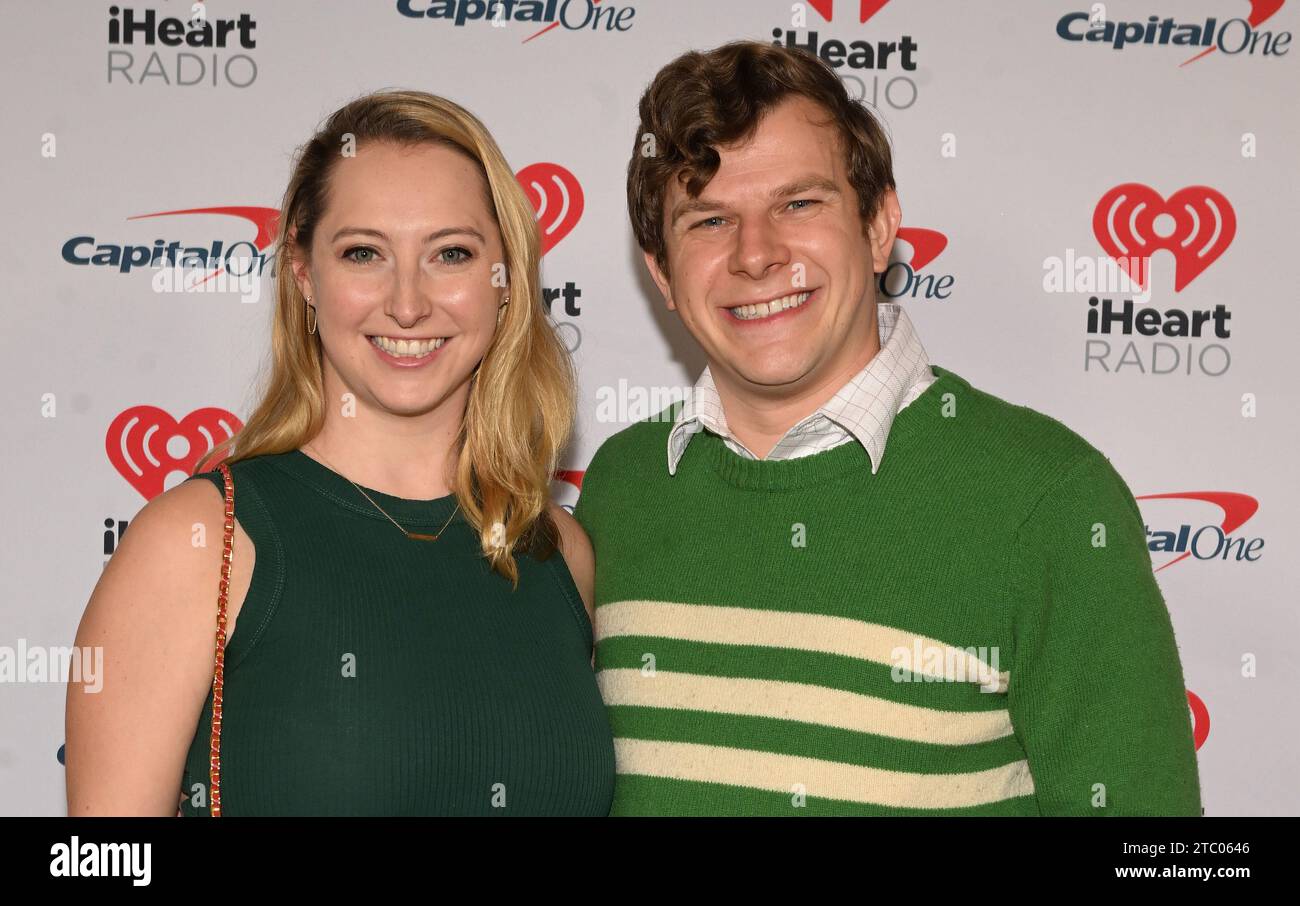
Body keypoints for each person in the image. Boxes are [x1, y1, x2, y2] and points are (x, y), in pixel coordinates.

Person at [572, 41, 1202, 816]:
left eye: (799, 204)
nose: (757, 255)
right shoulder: (622, 487)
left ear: (879, 227)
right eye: (709, 220)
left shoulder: (1050, 500)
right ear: (663, 272)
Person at [65, 90, 614, 816]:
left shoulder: (556, 551)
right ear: (303, 273)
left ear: (505, 282)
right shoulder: (201, 542)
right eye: (364, 253)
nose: (408, 303)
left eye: (451, 253)